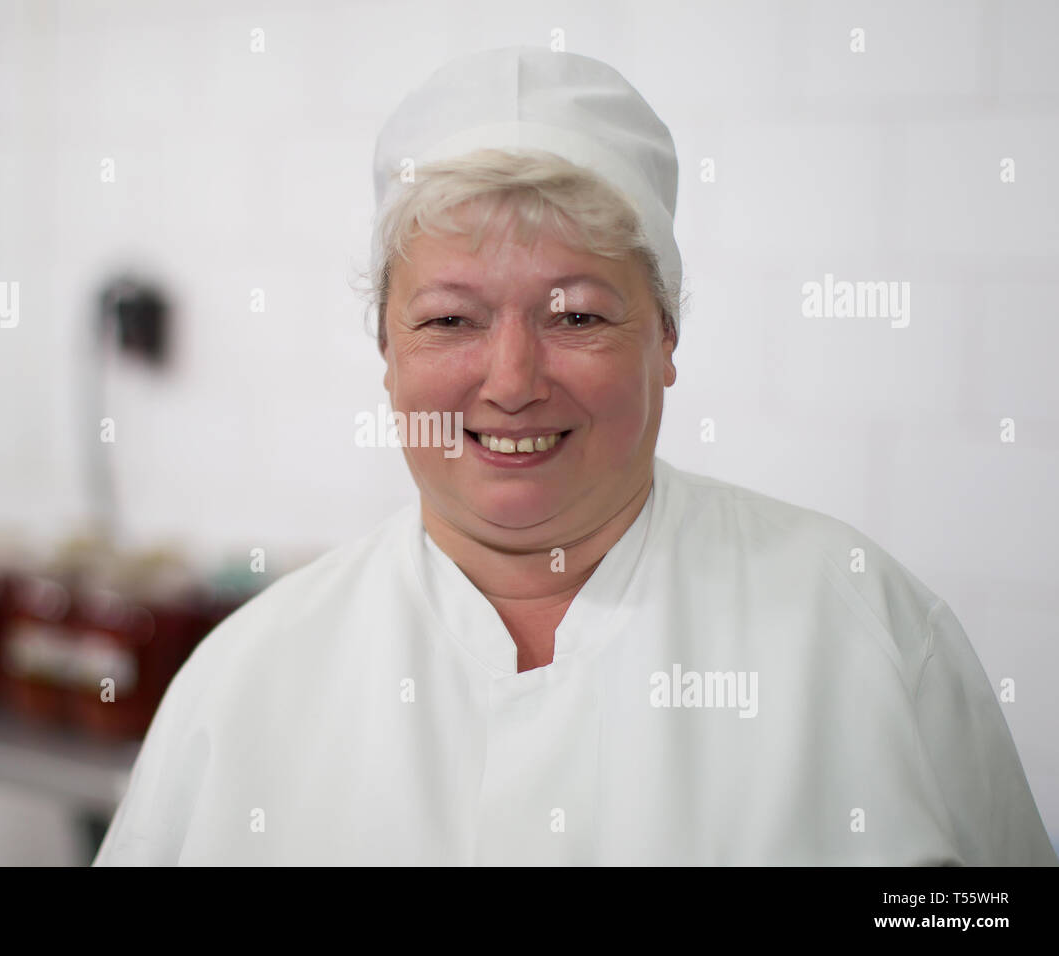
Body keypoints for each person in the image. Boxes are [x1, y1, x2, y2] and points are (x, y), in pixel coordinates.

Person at [93, 46, 1056, 865]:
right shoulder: (244, 687)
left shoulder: (869, 640)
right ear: (387, 354)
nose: (511, 381)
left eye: (579, 314)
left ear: (666, 341)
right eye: (450, 320)